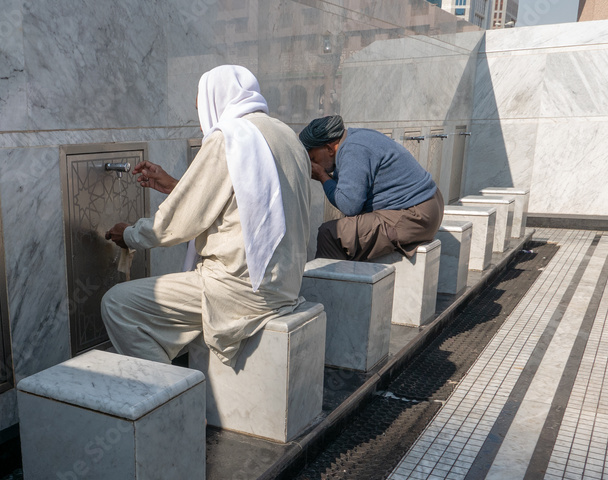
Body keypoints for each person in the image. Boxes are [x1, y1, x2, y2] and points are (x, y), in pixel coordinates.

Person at [101, 64, 311, 366]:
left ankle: (171, 403)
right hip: (285, 286)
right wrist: (177, 186)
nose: (202, 125)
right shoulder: (286, 136)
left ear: (218, 99)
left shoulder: (229, 138)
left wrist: (130, 235)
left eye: (202, 109)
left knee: (118, 304)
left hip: (238, 289)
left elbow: (173, 227)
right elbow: (248, 205)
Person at [300, 115, 443, 261]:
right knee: (351, 229)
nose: (313, 164)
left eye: (313, 158)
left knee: (331, 233)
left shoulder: (353, 150)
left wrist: (322, 176)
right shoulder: (355, 138)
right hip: (427, 206)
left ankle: (330, 284)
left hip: (416, 216)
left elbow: (349, 205)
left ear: (329, 148)